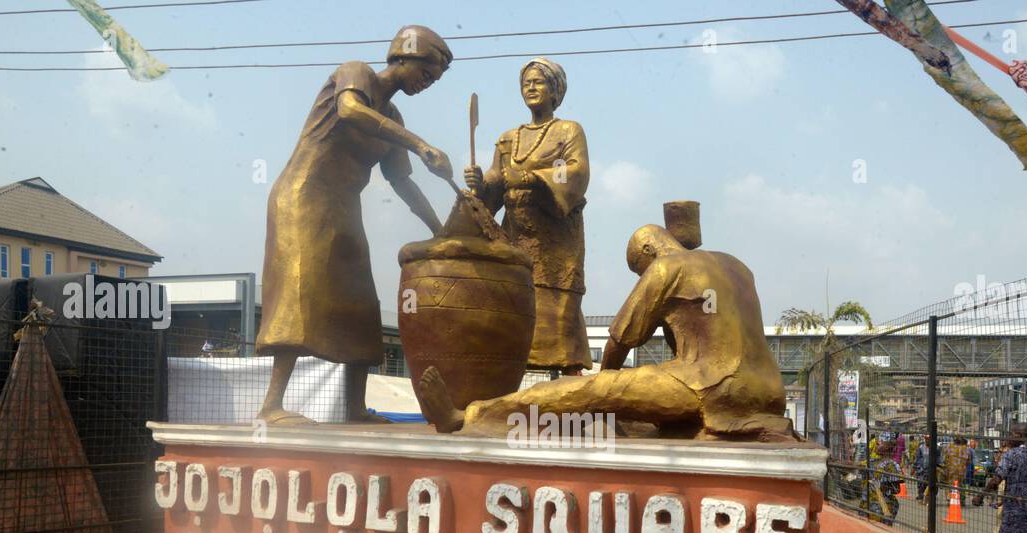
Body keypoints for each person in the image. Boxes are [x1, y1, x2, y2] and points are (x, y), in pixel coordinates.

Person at [416, 224, 790, 438]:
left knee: (586, 390)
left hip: (711, 386)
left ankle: (467, 416)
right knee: (640, 406)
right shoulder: (737, 267)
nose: (643, 275)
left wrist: (605, 386)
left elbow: (619, 340)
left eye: (639, 268)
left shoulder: (666, 268)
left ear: (647, 250)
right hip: (768, 393)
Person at [256, 25, 455, 425]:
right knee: (300, 290)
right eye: (426, 73)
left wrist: (443, 231)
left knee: (360, 300)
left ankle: (354, 407)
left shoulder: (393, 117)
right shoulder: (356, 73)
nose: (426, 84)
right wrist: (420, 143)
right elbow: (350, 111)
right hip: (304, 197)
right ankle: (270, 407)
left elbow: (402, 181)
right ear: (403, 55)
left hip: (345, 207)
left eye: (433, 80)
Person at [465, 58, 592, 374]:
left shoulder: (568, 131)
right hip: (516, 238)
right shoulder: (509, 138)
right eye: (526, 83)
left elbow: (575, 172)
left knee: (559, 316)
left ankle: (568, 387)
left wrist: (531, 178)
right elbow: (496, 182)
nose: (531, 88)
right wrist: (481, 182)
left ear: (554, 89)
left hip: (557, 242)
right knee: (514, 310)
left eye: (538, 82)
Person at [941, 436, 972, 504]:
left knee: (950, 485)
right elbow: (968, 461)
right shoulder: (966, 449)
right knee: (959, 485)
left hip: (951, 470)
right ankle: (960, 500)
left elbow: (944, 458)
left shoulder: (949, 447)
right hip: (961, 472)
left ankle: (950, 500)